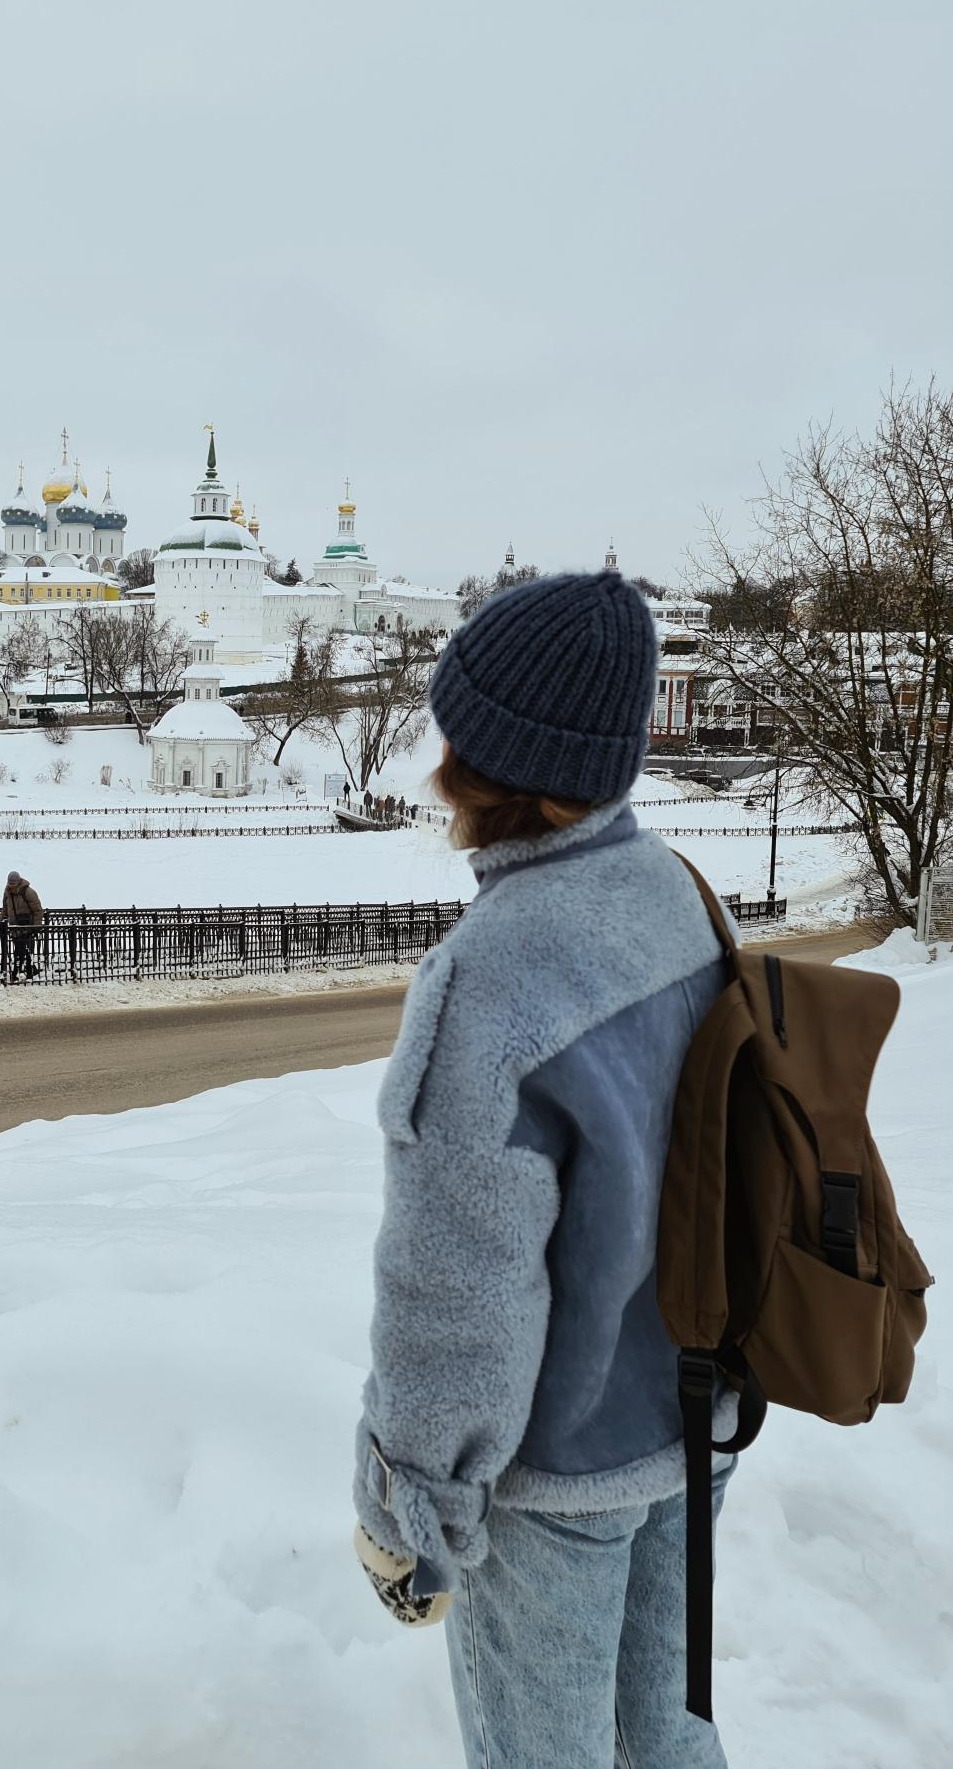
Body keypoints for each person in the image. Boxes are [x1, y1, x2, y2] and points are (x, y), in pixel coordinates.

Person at [352, 571, 733, 1769]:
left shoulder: (492, 973)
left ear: (486, 756)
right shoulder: (676, 892)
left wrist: (408, 1506)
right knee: (669, 1739)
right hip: (699, 1413)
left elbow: (455, 1294)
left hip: (560, 1473)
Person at [1, 869, 43, 980]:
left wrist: (36, 927)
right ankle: (28, 970)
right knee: (21, 950)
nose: (12, 886)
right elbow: (5, 909)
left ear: (18, 882)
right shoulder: (7, 892)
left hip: (27, 926)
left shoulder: (28, 892)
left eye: (13, 884)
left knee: (21, 949)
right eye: (10, 884)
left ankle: (18, 972)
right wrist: (1, 922)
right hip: (14, 927)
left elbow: (38, 910)